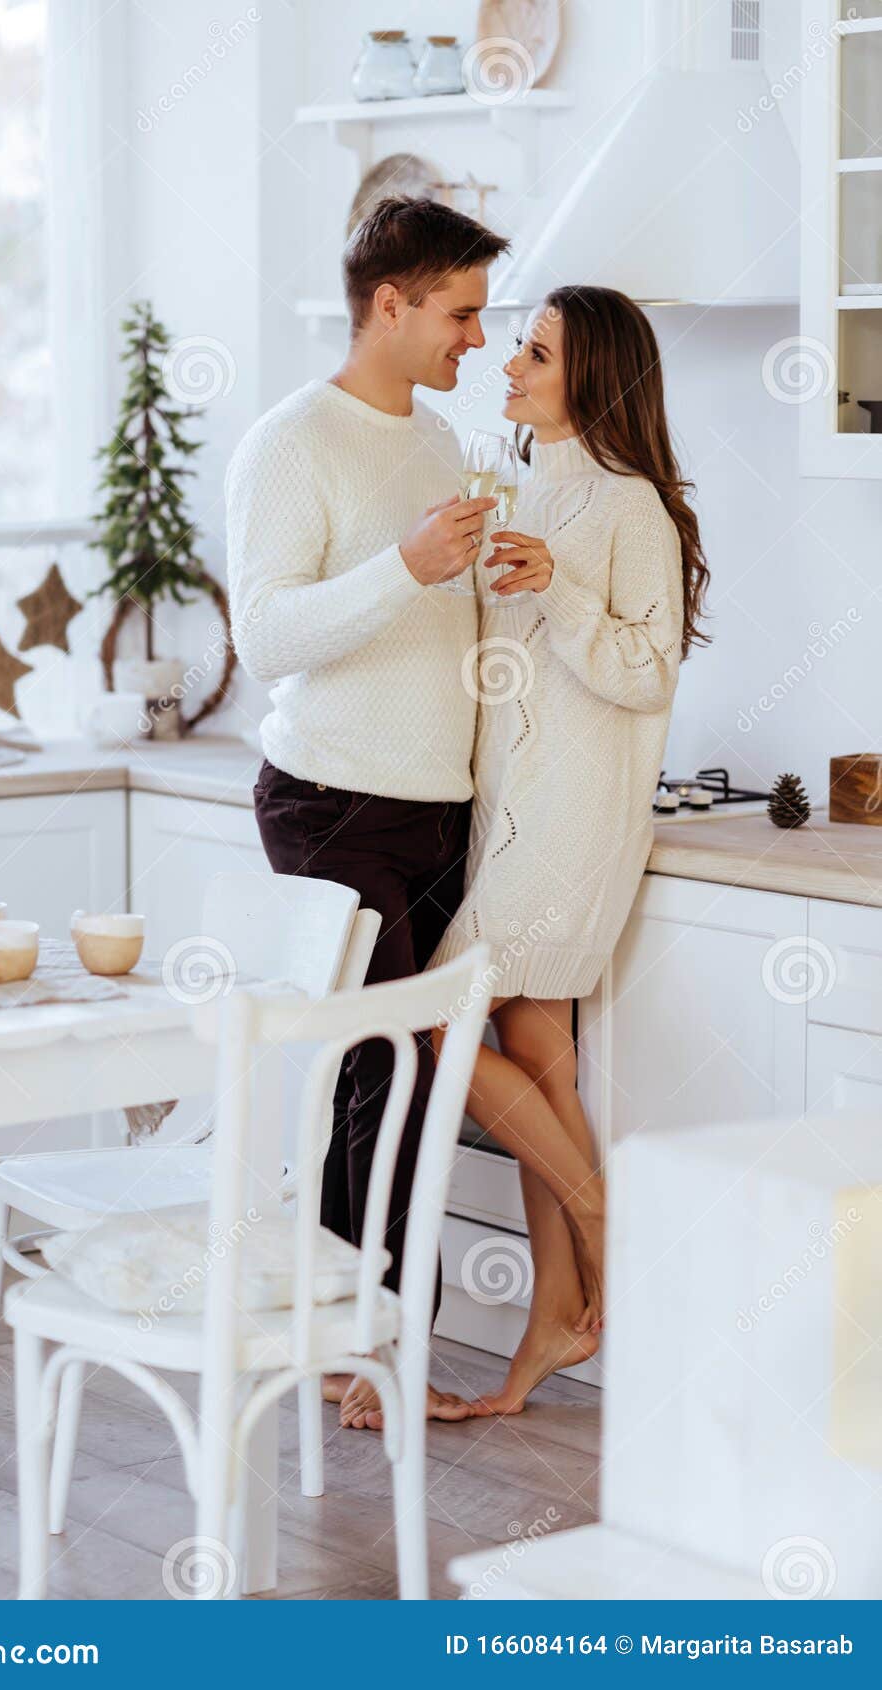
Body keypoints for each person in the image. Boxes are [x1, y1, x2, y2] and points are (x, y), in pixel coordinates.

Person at [225, 196, 509, 1429]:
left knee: (395, 1073)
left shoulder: (443, 440)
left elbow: (434, 619)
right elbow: (263, 635)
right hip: (331, 799)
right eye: (460, 314)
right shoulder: (290, 444)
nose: (477, 341)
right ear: (389, 305)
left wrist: (494, 576)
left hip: (437, 806)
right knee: (382, 1069)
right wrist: (406, 565)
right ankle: (365, 1351)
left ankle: (363, 1343)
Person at [427, 285, 711, 1416]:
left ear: (589, 374)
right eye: (514, 345)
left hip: (571, 820)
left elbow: (646, 673)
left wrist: (561, 589)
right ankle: (553, 1317)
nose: (507, 364)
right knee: (538, 1057)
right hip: (501, 813)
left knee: (434, 1022)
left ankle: (602, 1218)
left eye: (534, 352)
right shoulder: (516, 486)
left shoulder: (630, 507)